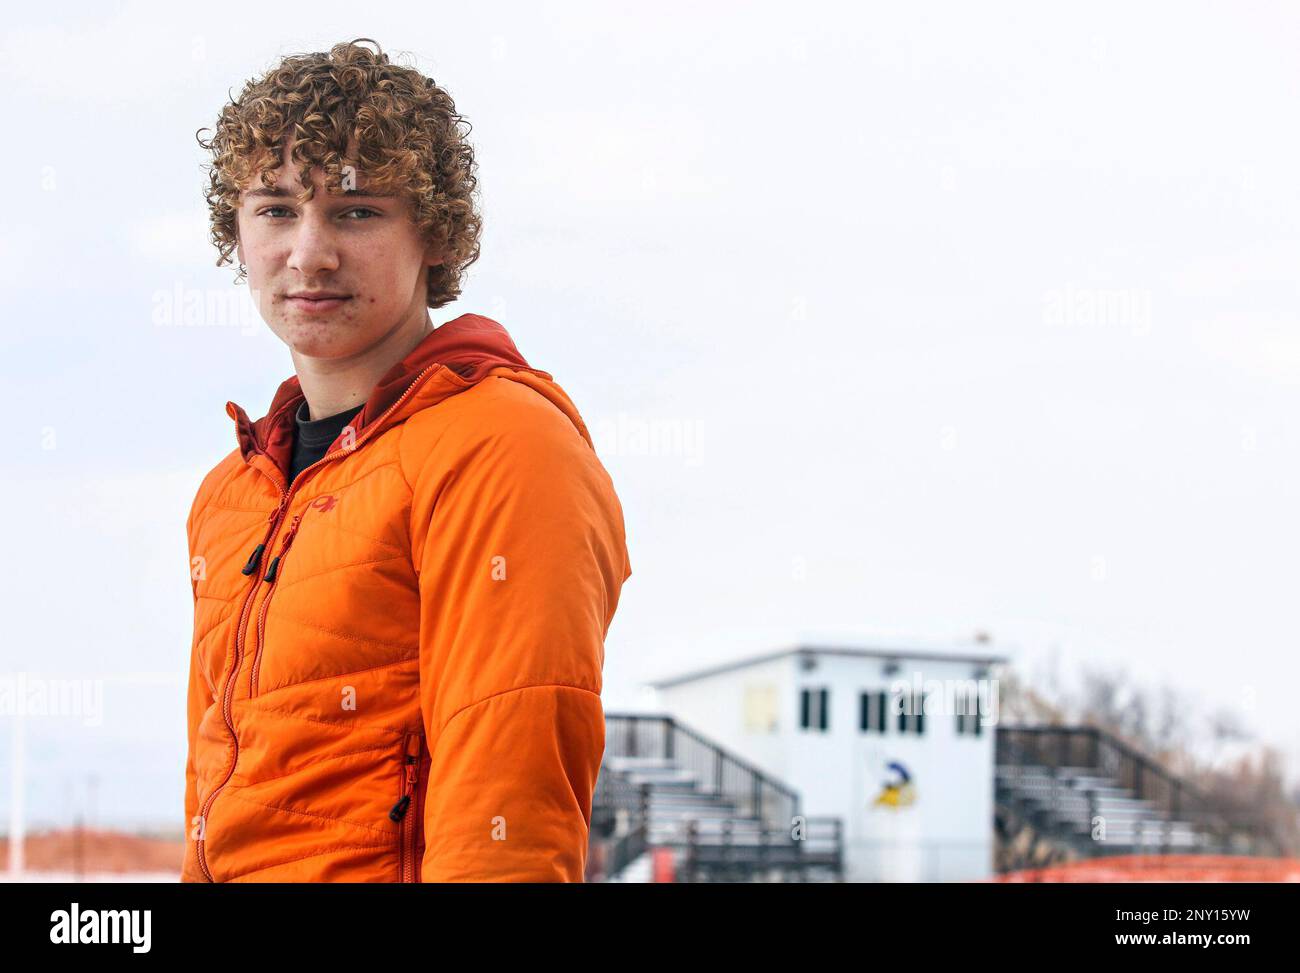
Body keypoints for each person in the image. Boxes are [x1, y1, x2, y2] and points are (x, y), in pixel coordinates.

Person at [183, 38, 631, 882]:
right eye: (276, 209)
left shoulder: (501, 446)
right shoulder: (232, 494)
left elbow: (510, 813)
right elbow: (211, 803)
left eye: (356, 212)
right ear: (235, 230)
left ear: (435, 232)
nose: (308, 253)